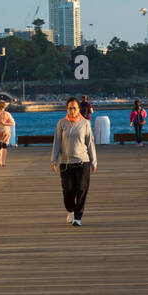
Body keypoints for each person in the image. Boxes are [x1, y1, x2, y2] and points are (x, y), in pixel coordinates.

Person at [51, 97, 97, 226]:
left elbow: (90, 143)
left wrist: (94, 161)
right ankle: (70, 210)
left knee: (82, 188)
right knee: (68, 189)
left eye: (74, 108)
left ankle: (78, 217)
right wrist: (53, 160)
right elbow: (57, 143)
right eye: (70, 108)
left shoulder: (85, 123)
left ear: (79, 109)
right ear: (67, 109)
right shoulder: (61, 123)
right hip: (66, 163)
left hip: (83, 162)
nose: (72, 111)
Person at [0, 98, 14, 167]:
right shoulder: (7, 114)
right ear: (4, 106)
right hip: (5, 131)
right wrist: (5, 123)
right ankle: (3, 162)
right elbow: (12, 123)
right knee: (4, 146)